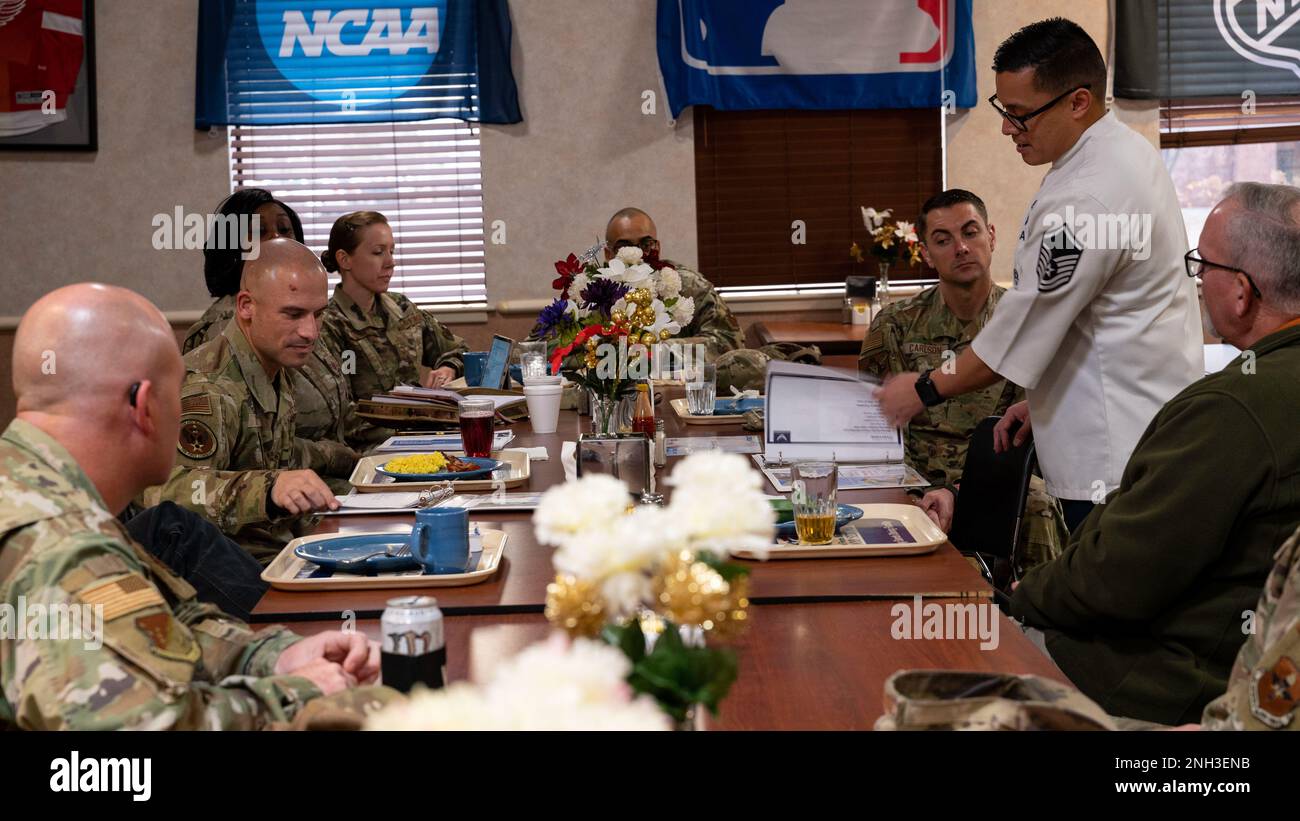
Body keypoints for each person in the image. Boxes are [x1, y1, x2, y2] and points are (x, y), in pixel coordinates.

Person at [1, 283, 392, 730]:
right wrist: (300, 691)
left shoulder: (36, 486)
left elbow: (163, 626)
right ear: (145, 406)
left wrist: (273, 655)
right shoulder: (62, 548)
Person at [874, 18, 1202, 532]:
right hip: (1126, 428)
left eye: (1021, 114)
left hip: (1115, 457)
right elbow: (1097, 313)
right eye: (1004, 110)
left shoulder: (1088, 197)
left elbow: (1026, 324)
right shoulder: (1114, 154)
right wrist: (1043, 401)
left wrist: (923, 389)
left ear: (1077, 102)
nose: (1007, 127)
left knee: (1110, 603)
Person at [1009, 183, 1300, 725]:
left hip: (1167, 687)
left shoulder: (1231, 410)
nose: (1196, 279)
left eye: (1202, 265)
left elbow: (1115, 578)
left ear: (1241, 292)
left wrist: (1024, 595)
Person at [860, 189, 1065, 571]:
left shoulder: (1025, 323)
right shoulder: (895, 324)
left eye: (970, 233)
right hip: (911, 479)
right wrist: (918, 491)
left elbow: (1034, 437)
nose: (961, 248)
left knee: (1038, 500)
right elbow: (871, 427)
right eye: (943, 240)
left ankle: (1041, 617)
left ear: (991, 236)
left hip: (993, 477)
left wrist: (956, 491)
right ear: (925, 253)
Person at [142, 238, 349, 565]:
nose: (310, 332)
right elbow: (163, 495)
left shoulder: (274, 365)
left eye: (318, 314)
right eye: (293, 314)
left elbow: (271, 457)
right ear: (246, 306)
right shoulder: (209, 386)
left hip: (277, 553)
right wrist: (268, 489)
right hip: (229, 570)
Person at [183, 189, 368, 468]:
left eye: (285, 229)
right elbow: (183, 489)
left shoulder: (303, 319)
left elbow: (277, 447)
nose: (309, 331)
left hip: (318, 480)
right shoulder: (226, 335)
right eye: (259, 232)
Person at [601, 207, 819, 392]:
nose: (638, 253)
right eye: (625, 247)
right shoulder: (594, 293)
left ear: (657, 247)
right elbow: (576, 354)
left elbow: (728, 344)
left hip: (683, 396)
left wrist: (649, 352)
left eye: (645, 244)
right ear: (608, 255)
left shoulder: (686, 285)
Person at [319, 211, 468, 405]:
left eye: (392, 251)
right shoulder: (328, 324)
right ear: (344, 259)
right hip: (375, 432)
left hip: (419, 424)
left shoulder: (402, 308)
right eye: (378, 252)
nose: (391, 263)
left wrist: (449, 367)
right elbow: (342, 414)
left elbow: (461, 351)